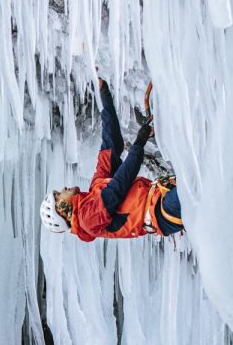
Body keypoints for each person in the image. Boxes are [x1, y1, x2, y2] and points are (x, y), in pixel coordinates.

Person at [40, 79, 183, 241]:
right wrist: (139, 143)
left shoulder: (96, 188)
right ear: (61, 210)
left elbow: (111, 144)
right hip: (163, 212)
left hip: (161, 200)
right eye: (59, 194)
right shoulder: (87, 220)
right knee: (197, 183)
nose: (63, 188)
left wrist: (103, 94)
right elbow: (117, 188)